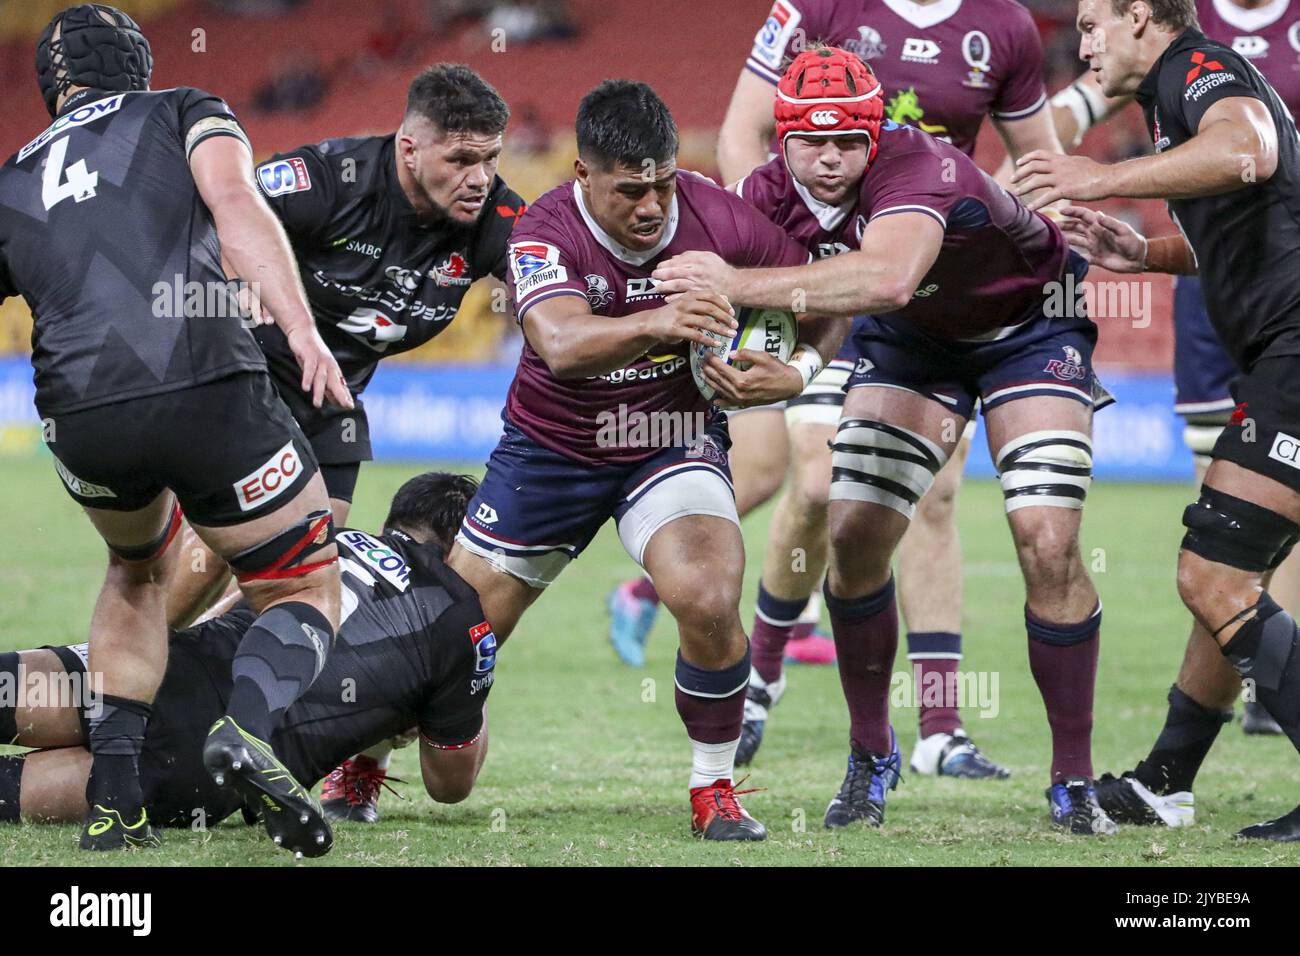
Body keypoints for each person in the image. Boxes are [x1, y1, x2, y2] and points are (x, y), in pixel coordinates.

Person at [654, 46, 1115, 834]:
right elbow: (820, 298)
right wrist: (798, 368)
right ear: (782, 139)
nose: (831, 158)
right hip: (911, 343)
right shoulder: (763, 197)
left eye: (849, 141)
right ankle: (871, 753)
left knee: (1046, 538)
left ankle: (1073, 777)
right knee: (854, 533)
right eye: (812, 141)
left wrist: (731, 282)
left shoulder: (918, 165)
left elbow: (885, 279)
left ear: (876, 135)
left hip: (1029, 327)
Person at [445, 79, 848, 841]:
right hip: (552, 448)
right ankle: (366, 756)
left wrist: (797, 370)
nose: (653, 205)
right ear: (583, 174)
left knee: (707, 595)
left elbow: (823, 299)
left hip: (670, 438)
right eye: (630, 190)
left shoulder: (718, 215)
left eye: (662, 184)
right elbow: (561, 345)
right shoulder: (544, 227)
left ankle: (714, 787)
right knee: (452, 639)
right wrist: (662, 320)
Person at [0, 3, 353, 854]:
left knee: (136, 571)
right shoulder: (184, 108)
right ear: (139, 65)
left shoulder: (10, 178)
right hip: (204, 384)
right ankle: (248, 728)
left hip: (80, 412)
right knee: (303, 583)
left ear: (53, 86)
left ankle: (114, 800)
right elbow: (236, 205)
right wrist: (300, 329)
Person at [160, 64, 525, 824]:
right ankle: (134, 697)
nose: (480, 177)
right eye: (462, 158)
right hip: (243, 374)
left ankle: (237, 712)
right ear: (409, 148)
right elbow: (215, 223)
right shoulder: (328, 179)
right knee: (212, 560)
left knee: (309, 570)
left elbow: (554, 283)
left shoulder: (494, 217)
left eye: (491, 158)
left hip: (331, 404)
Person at [1012, 0, 1300, 841]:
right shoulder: (1176, 94)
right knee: (1229, 572)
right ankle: (1165, 782)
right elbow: (1251, 225)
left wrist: (1097, 177)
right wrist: (1145, 254)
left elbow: (1251, 151)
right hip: (1277, 354)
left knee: (1212, 578)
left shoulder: (1196, 70)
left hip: (1293, 353)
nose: (1082, 45)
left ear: (1141, 16)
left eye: (1092, 26)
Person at [0, 473, 494, 841]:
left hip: (171, 667)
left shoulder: (331, 542)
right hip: (201, 765)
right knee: (10, 789)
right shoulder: (463, 622)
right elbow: (449, 784)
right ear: (462, 550)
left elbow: (236, 605)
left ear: (390, 524)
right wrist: (445, 701)